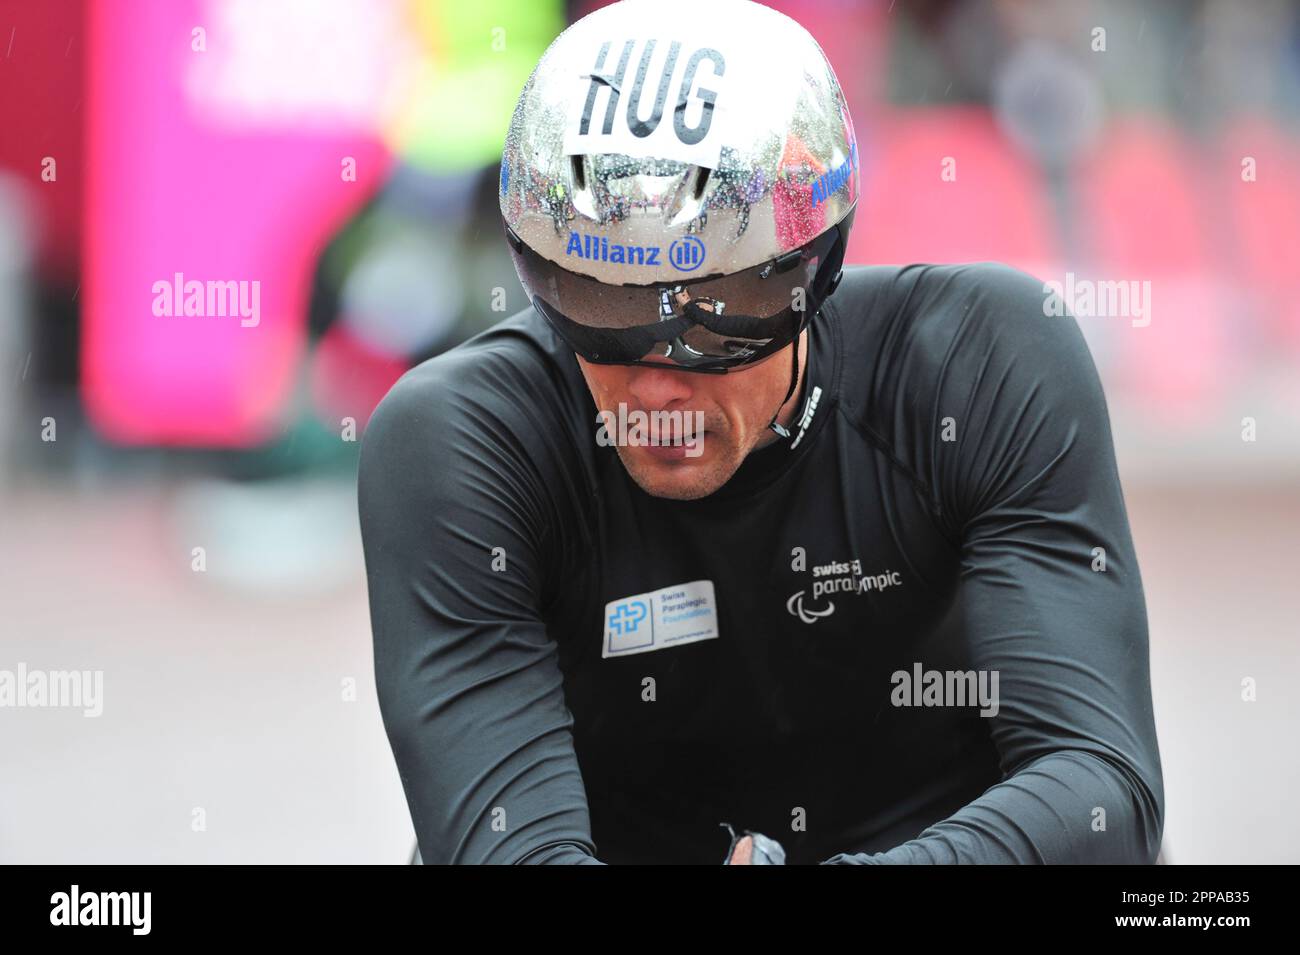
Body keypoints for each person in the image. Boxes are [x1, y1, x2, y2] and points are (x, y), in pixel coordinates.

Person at [358, 0, 1164, 864]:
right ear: (540, 273)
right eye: (599, 312)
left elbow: (1102, 792)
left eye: (718, 320)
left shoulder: (979, 359)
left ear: (815, 272)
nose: (657, 387)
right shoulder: (462, 438)